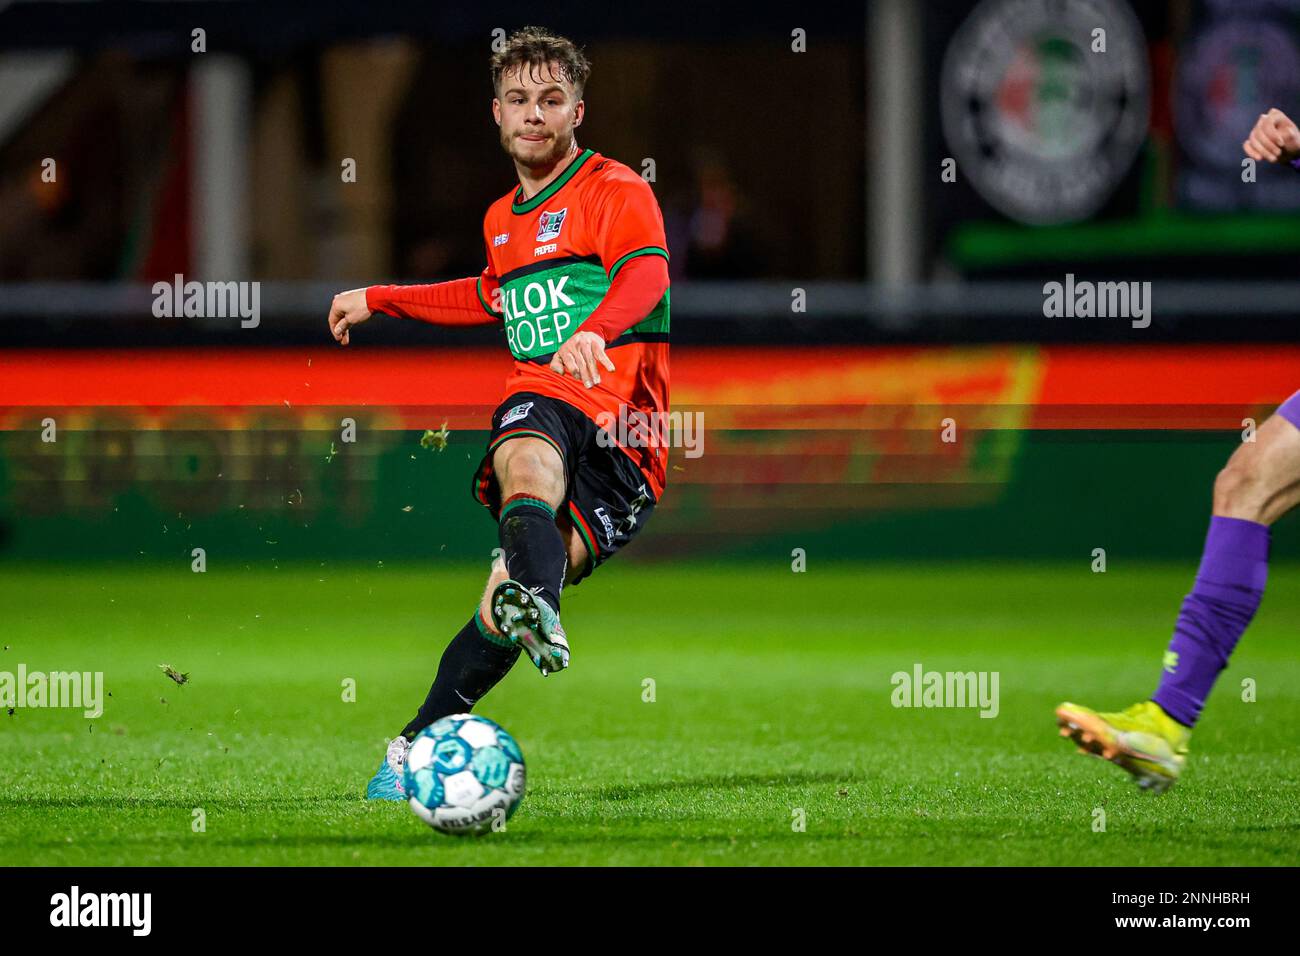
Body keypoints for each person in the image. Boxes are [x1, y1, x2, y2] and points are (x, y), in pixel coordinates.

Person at [326, 27, 671, 800]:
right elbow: (487, 294)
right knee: (525, 448)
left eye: (550, 99)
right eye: (519, 99)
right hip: (549, 397)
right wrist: (379, 296)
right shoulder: (501, 220)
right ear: (496, 113)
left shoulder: (616, 190)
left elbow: (646, 274)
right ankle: (412, 751)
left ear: (578, 108)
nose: (534, 114)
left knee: (495, 614)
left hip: (632, 434)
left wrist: (596, 330)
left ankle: (528, 605)